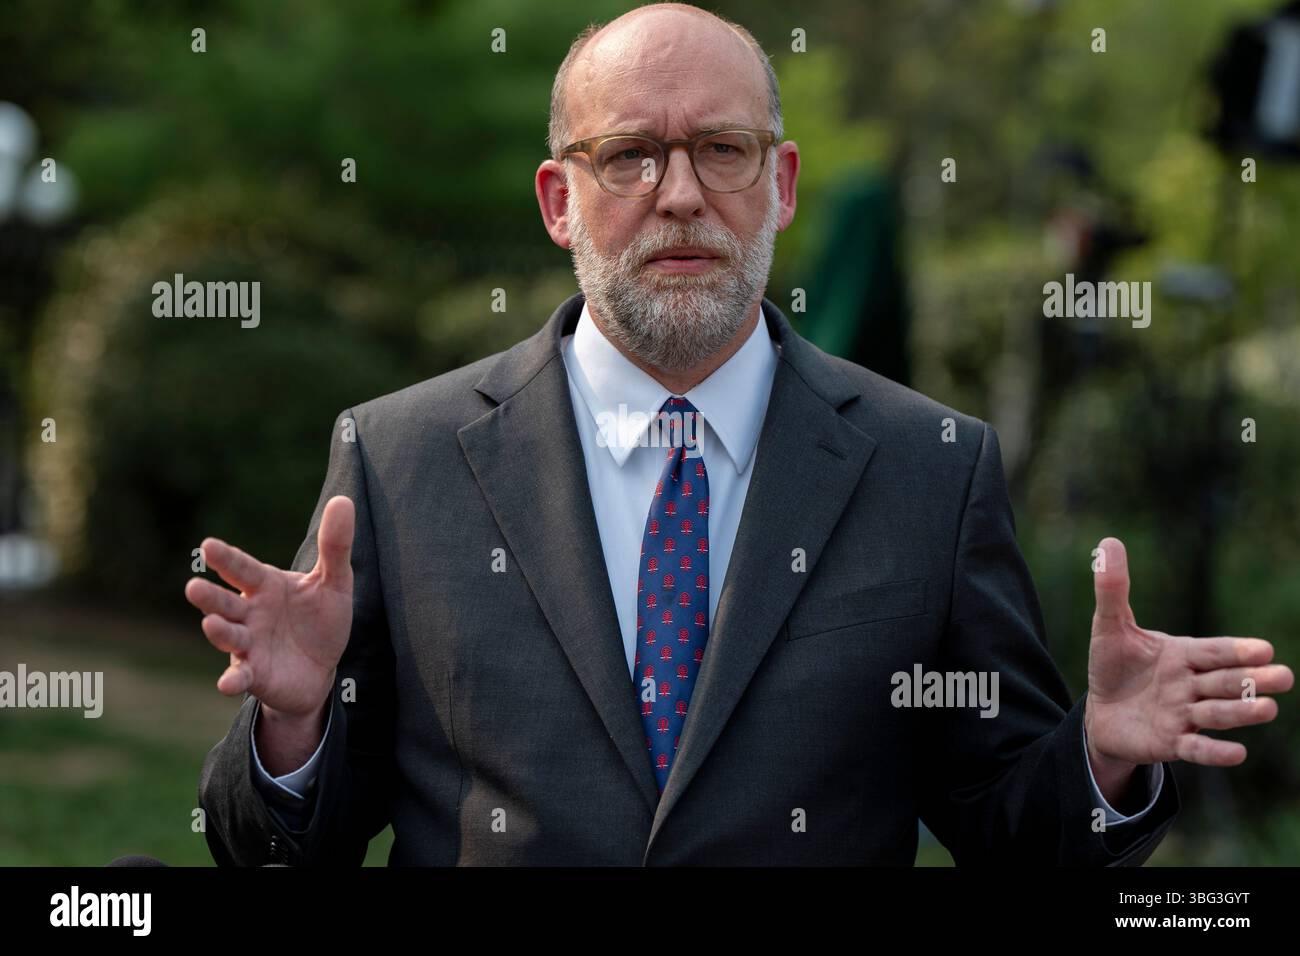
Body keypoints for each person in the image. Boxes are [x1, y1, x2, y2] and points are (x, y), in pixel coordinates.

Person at [191, 3, 1292, 866]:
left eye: (722, 149)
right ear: (557, 200)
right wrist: (294, 732)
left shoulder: (929, 468)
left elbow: (1013, 831)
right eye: (627, 154)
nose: (678, 196)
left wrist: (1095, 756)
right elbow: (272, 850)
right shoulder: (400, 457)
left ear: (781, 184)